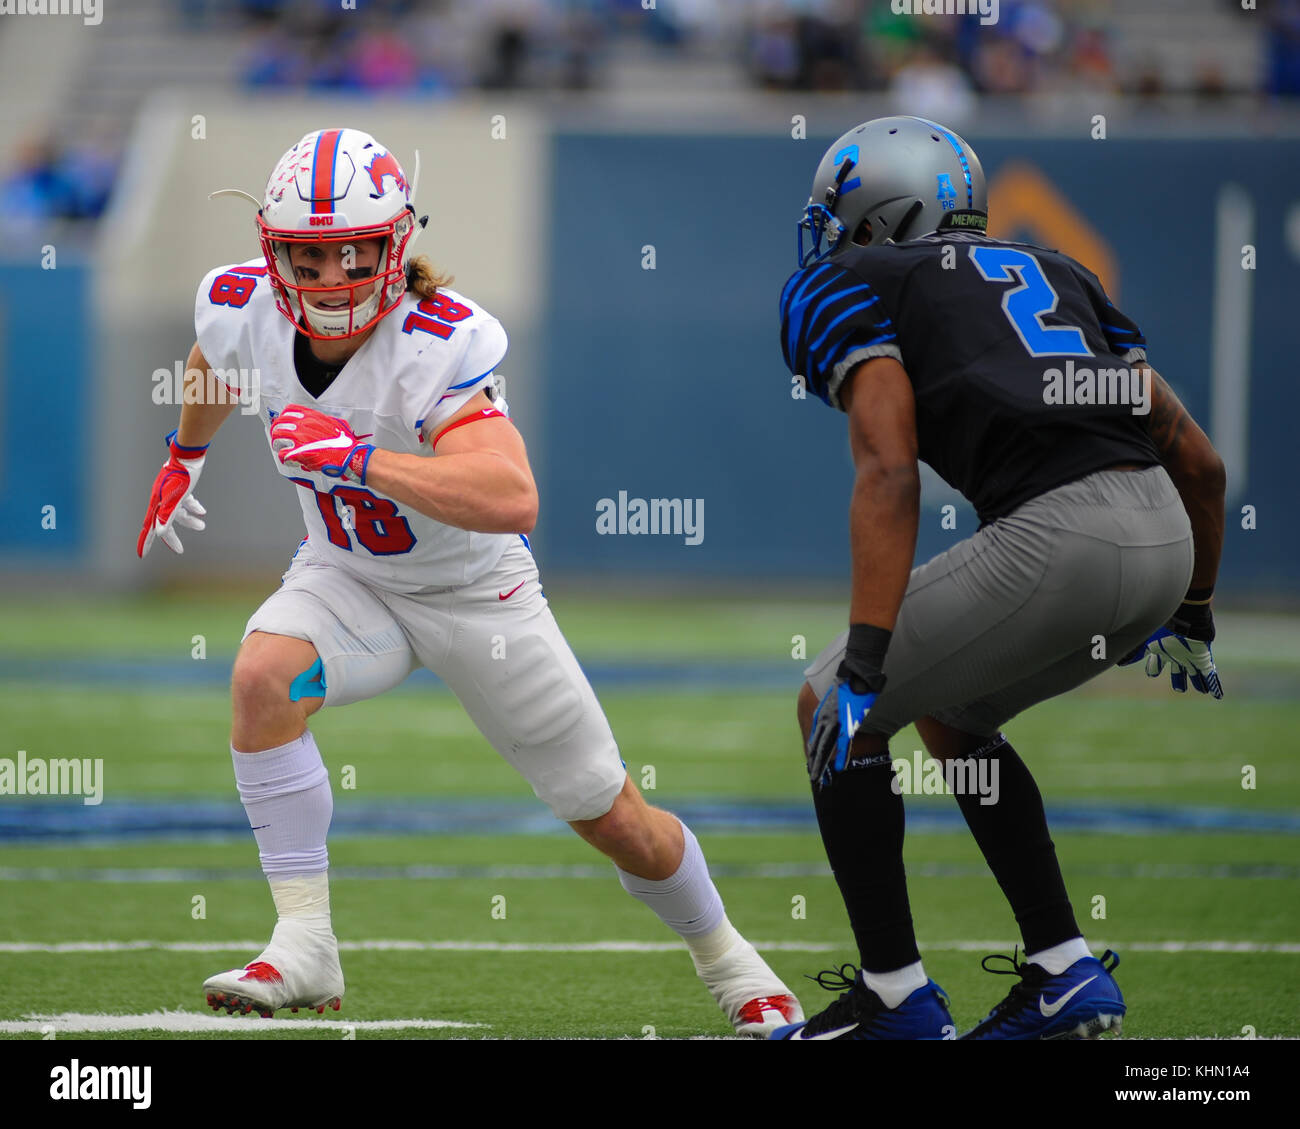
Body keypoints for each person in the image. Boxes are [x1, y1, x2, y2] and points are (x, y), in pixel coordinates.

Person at [136, 127, 802, 1037]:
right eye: (305, 254)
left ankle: (731, 958)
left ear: (394, 244)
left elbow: (511, 494)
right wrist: (185, 454)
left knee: (614, 818)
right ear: (272, 252)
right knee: (260, 676)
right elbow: (218, 355)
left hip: (477, 596)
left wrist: (364, 458)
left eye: (350, 253)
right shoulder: (242, 301)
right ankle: (304, 941)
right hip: (347, 577)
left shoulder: (435, 339)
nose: (329, 278)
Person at [772, 115, 1225, 1040]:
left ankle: (894, 994)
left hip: (1058, 535)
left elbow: (889, 469)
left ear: (878, 215)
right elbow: (1197, 459)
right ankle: (1065, 970)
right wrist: (1196, 609)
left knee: (828, 707)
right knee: (954, 713)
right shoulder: (1061, 273)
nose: (829, 235)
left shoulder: (854, 279)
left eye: (840, 215)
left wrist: (864, 665)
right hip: (1164, 534)